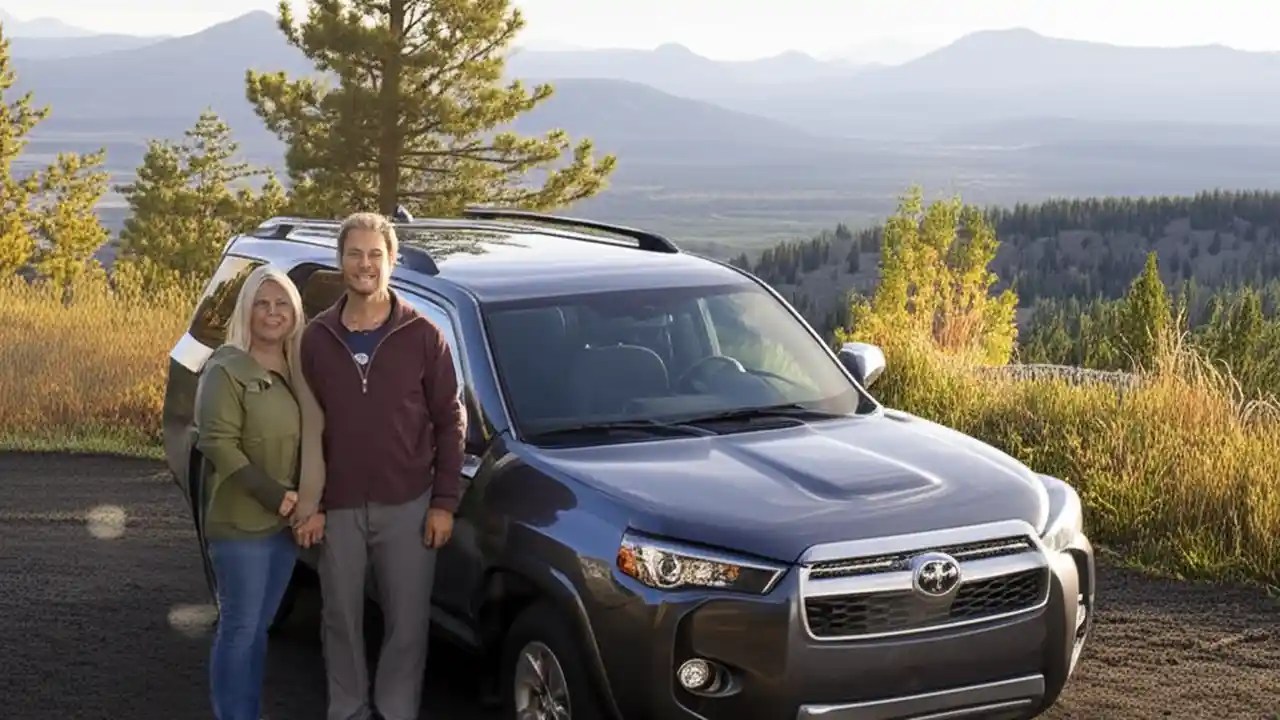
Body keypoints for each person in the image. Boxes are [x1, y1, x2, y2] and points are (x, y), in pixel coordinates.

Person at [295, 211, 467, 720]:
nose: (365, 264)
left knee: (407, 625)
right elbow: (304, 428)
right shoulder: (317, 338)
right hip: (339, 507)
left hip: (409, 506)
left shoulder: (424, 336)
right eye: (355, 254)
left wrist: (443, 503)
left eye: (376, 254)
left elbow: (449, 422)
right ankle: (347, 711)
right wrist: (312, 504)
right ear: (341, 261)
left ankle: (395, 712)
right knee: (341, 620)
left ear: (392, 261)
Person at [194, 264, 321, 720]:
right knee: (240, 628)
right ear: (247, 310)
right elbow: (218, 445)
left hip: (286, 525)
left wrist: (308, 503)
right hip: (242, 524)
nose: (272, 312)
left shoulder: (300, 368)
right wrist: (280, 498)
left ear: (295, 311)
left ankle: (247, 711)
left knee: (260, 628)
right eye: (262, 304)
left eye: (282, 303)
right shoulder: (225, 369)